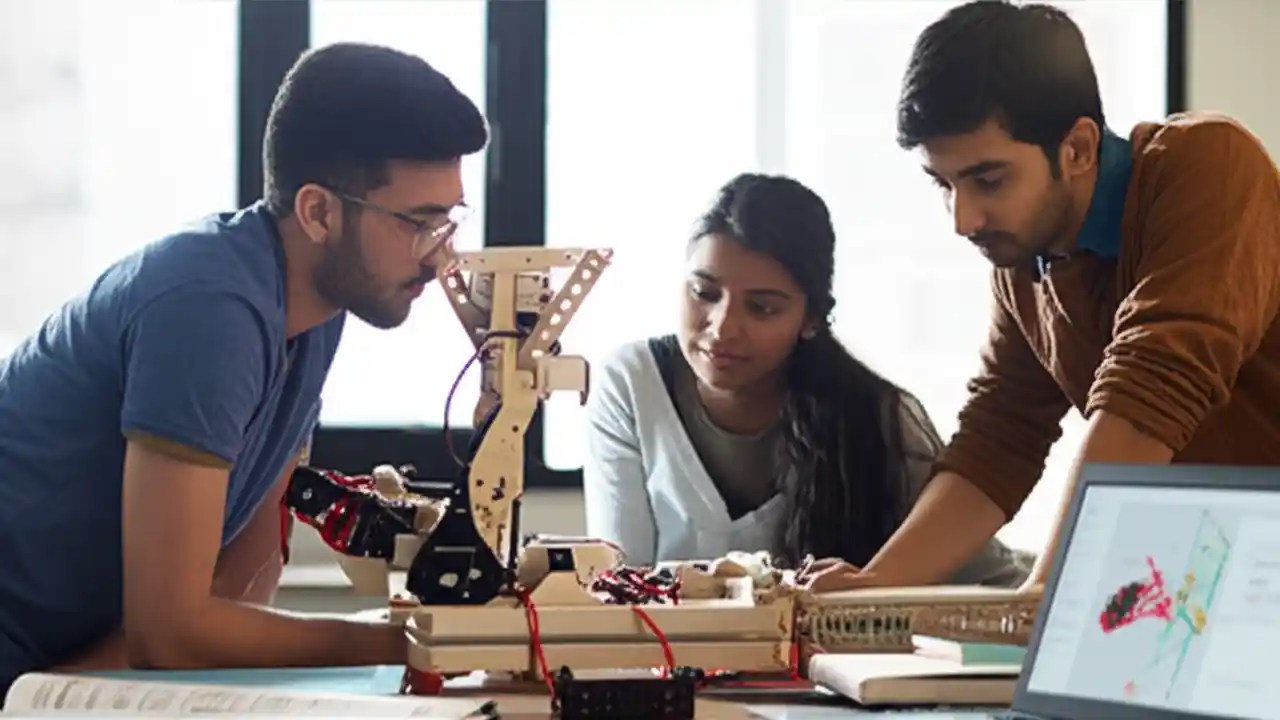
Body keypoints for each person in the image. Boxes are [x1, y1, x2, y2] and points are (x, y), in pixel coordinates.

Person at [0, 42, 486, 691]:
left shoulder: (314, 311)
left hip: (43, 664)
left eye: (449, 222)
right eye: (418, 223)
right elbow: (171, 631)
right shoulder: (211, 307)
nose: (440, 259)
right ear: (318, 212)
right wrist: (411, 642)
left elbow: (237, 579)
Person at [799, 0, 1280, 594]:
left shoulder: (1210, 165)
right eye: (942, 184)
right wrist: (876, 590)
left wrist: (1047, 600)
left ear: (1077, 148)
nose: (963, 219)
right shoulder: (1025, 257)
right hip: (1215, 580)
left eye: (988, 180)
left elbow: (1152, 385)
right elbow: (1000, 438)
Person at [582, 172, 1032, 588]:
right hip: (673, 667)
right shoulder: (632, 384)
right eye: (704, 293)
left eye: (761, 308)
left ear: (811, 318)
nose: (722, 327)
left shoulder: (878, 420)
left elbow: (993, 581)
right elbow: (621, 585)